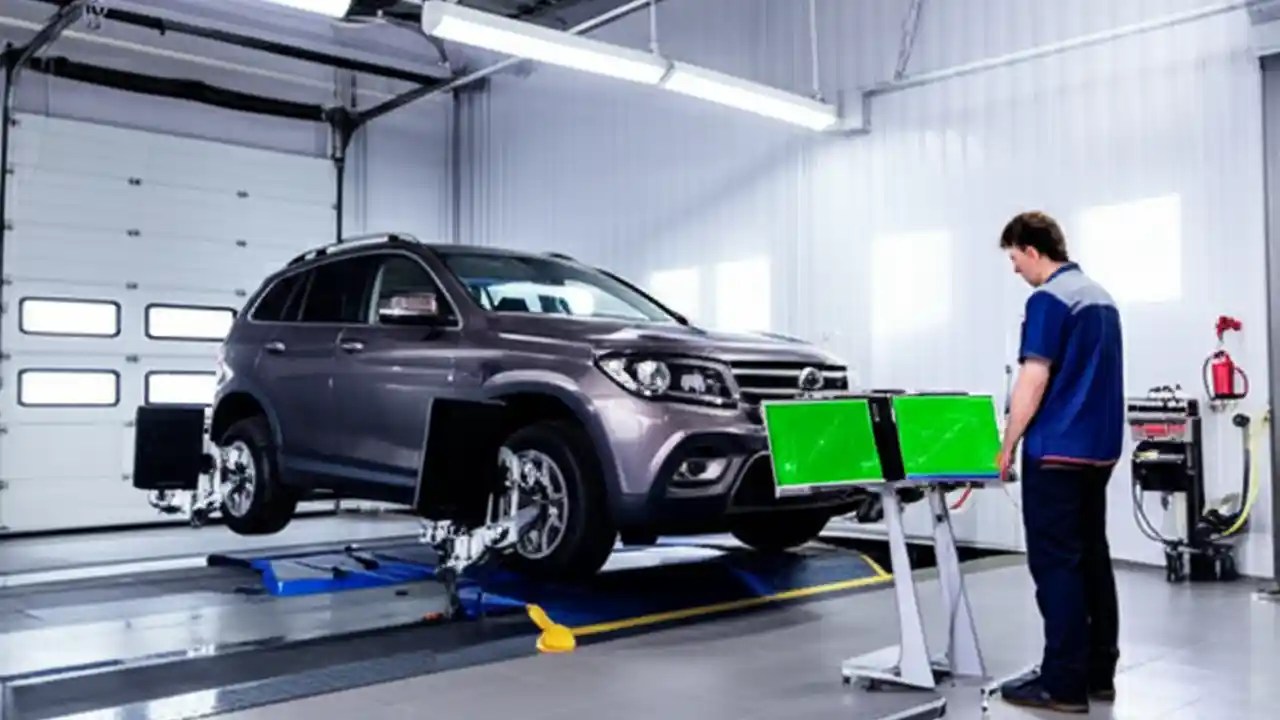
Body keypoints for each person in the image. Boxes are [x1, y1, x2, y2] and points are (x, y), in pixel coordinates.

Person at [994, 211, 1124, 713]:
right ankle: (1098, 674)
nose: (1014, 270)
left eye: (1013, 257)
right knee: (1092, 558)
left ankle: (1062, 684)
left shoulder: (1048, 299)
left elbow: (1034, 378)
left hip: (1057, 451)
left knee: (1056, 565)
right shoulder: (1101, 298)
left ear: (1031, 249)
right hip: (1098, 452)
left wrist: (1006, 446)